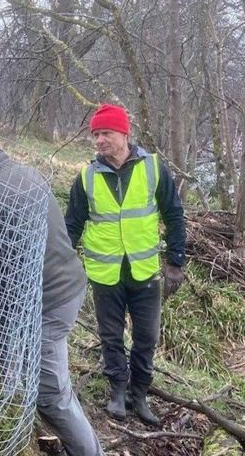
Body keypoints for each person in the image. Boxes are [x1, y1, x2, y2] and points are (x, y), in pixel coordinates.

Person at [0, 126, 134, 456]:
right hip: (58, 287)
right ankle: (11, 423)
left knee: (54, 396)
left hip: (47, 303)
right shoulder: (21, 173)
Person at [65, 104, 186, 426]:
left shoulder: (154, 169)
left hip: (144, 271)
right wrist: (61, 262)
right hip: (105, 274)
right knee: (111, 336)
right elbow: (73, 225)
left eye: (105, 133)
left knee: (146, 337)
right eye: (96, 135)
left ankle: (139, 394)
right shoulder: (87, 177)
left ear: (124, 134)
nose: (99, 140)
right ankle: (117, 391)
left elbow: (174, 215)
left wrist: (175, 262)